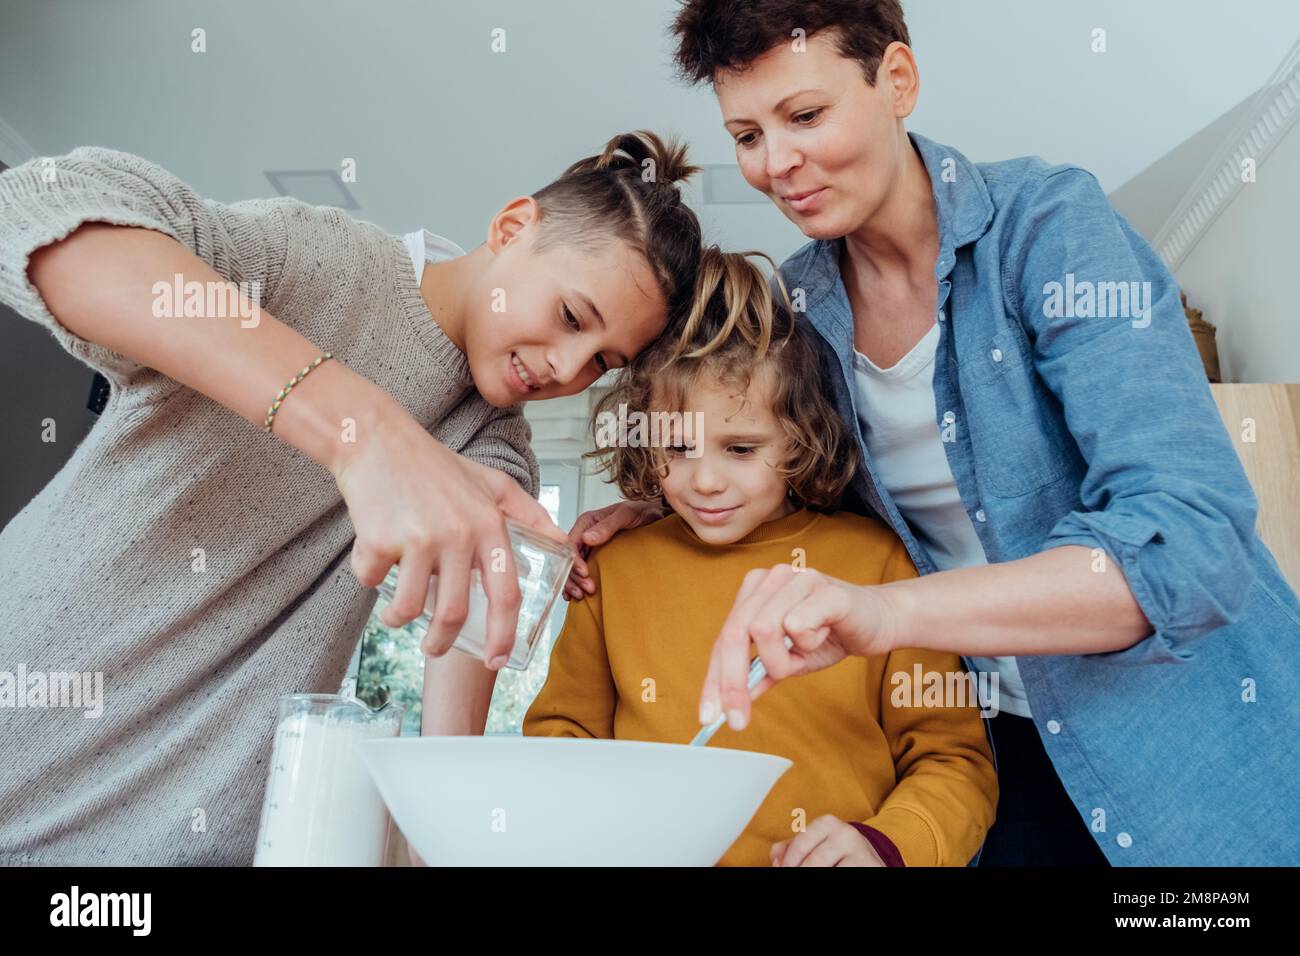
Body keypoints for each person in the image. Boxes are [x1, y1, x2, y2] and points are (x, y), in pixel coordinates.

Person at [562, 0, 1300, 866]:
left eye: (805, 115)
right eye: (748, 134)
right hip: (997, 748)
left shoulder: (1050, 233)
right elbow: (781, 463)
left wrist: (885, 613)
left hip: (1188, 740)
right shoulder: (797, 317)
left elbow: (1191, 547)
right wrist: (662, 507)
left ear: (897, 81)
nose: (776, 163)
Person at [0, 130, 703, 865]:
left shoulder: (494, 458)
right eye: (569, 316)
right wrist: (360, 429)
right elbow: (44, 205)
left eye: (602, 362)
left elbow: (452, 731)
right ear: (512, 228)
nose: (567, 366)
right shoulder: (325, 261)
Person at [524, 248, 996, 866]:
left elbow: (952, 760)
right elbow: (562, 739)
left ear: (799, 437)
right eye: (679, 447)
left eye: (741, 449)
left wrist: (886, 845)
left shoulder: (878, 564)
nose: (706, 481)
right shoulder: (612, 570)